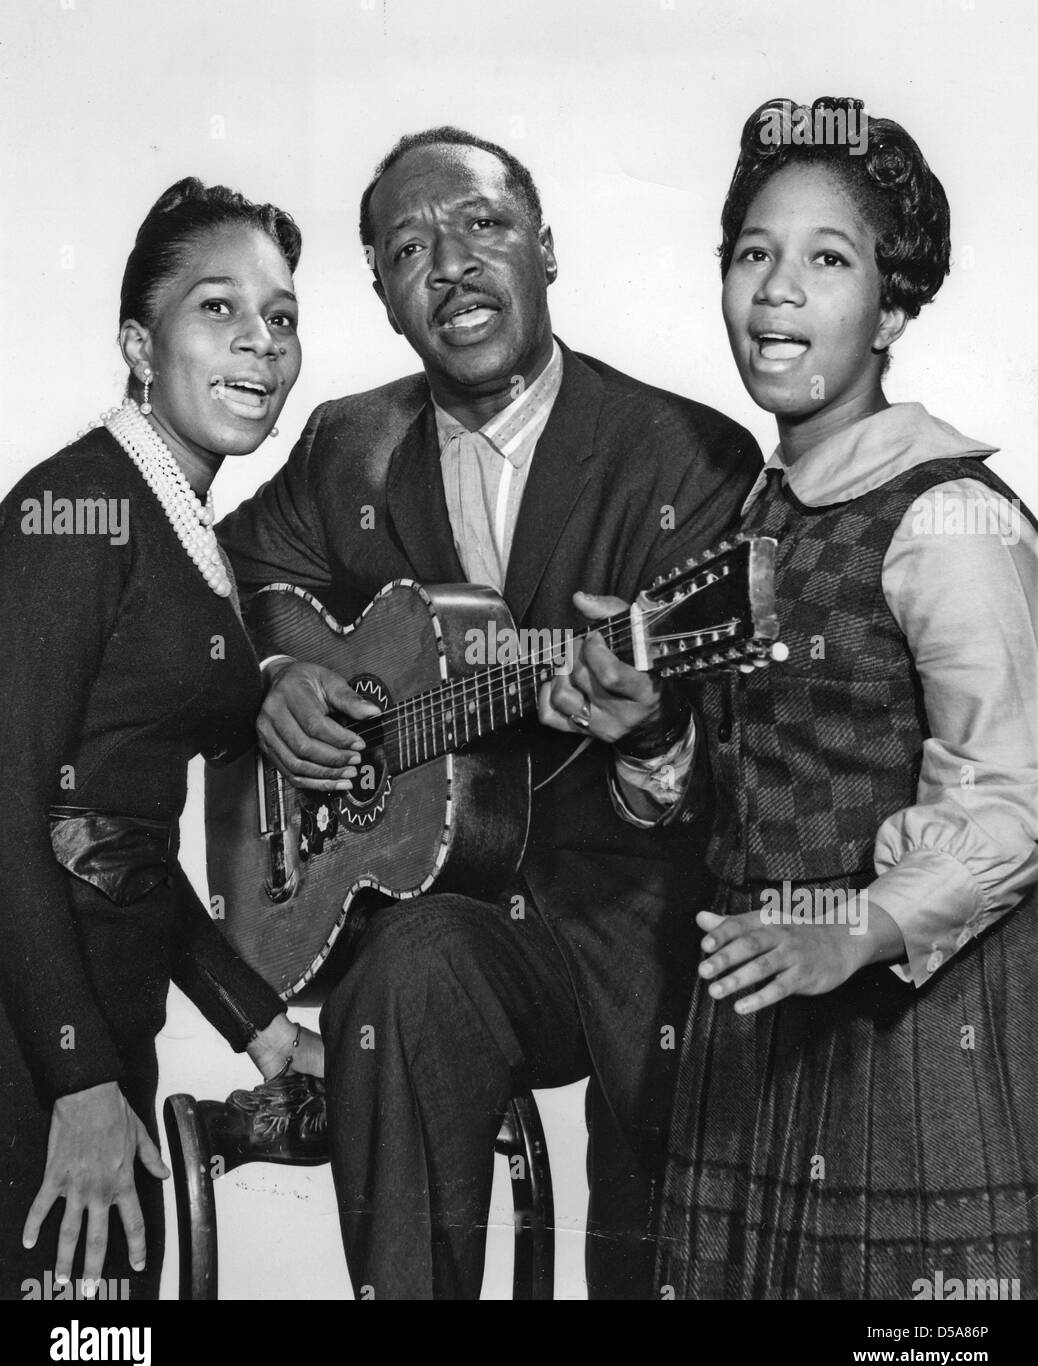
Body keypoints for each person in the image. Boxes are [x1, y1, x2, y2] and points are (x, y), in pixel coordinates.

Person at [216, 126, 764, 1299]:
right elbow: (218, 577)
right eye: (411, 247)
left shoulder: (683, 457)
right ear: (383, 295)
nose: (452, 264)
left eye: (482, 226)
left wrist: (653, 738)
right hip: (462, 921)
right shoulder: (349, 445)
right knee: (402, 978)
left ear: (547, 248)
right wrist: (275, 675)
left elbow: (744, 771)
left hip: (637, 931)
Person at [644, 98, 1038, 1299]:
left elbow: (1017, 797)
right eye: (754, 254)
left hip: (913, 1028)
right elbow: (741, 769)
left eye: (828, 259)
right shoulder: (754, 510)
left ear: (896, 308)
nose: (777, 291)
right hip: (759, 1018)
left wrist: (860, 927)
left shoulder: (950, 515)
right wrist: (648, 729)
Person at [0, 177, 324, 1302]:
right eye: (217, 308)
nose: (259, 343)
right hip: (36, 1064)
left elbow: (115, 842)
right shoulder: (72, 510)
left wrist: (261, 1026)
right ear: (140, 343)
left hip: (90, 1039)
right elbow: (7, 811)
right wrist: (80, 1085)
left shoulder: (176, 525)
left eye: (280, 317)